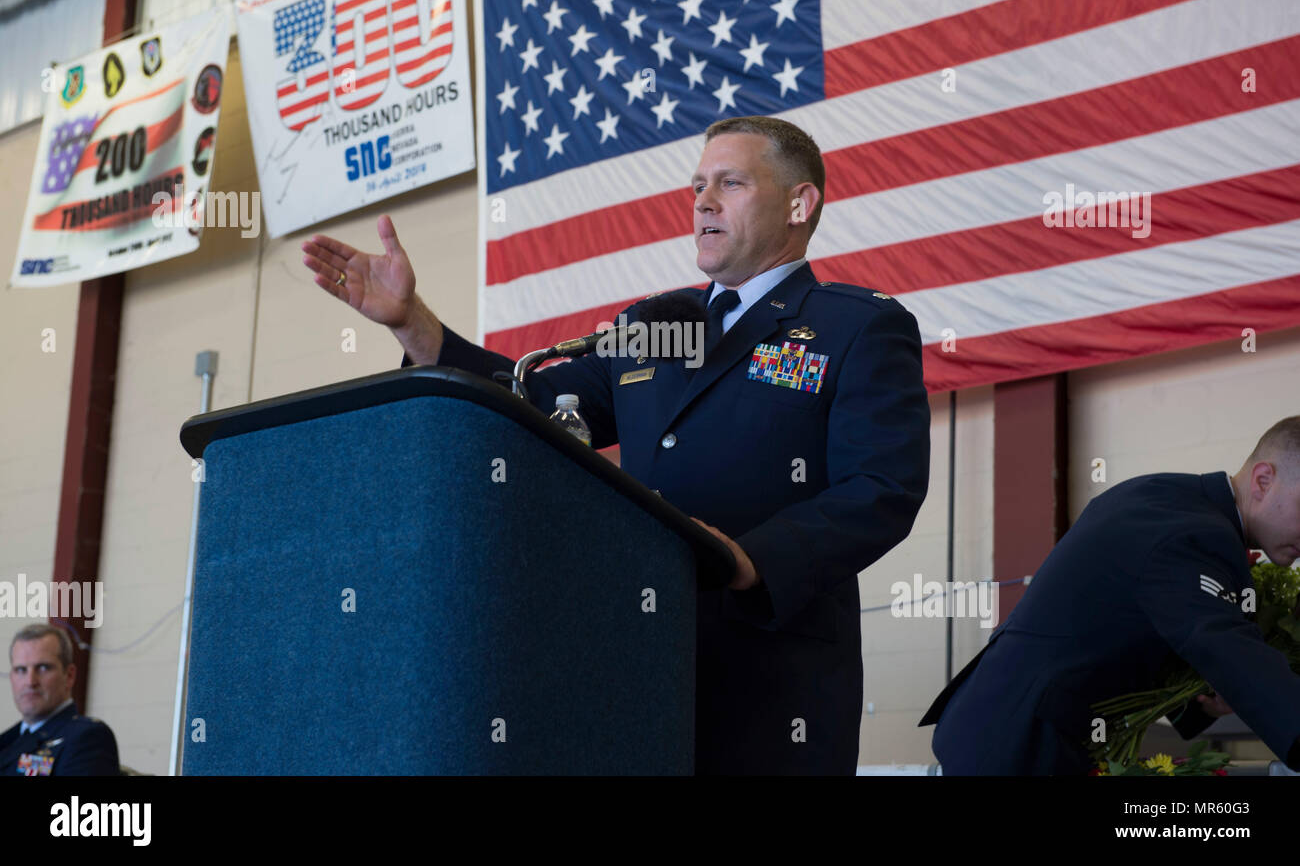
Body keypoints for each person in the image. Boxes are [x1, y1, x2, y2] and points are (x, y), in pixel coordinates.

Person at [302, 115, 931, 774]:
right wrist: (415, 324)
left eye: (730, 183)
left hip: (771, 678)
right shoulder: (658, 323)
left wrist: (749, 560)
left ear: (800, 204)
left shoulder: (855, 326)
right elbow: (532, 403)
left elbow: (880, 489)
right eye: (696, 187)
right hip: (634, 669)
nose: (704, 202)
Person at [921, 416, 1300, 774]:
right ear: (1263, 480)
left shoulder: (1170, 497)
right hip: (1019, 744)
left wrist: (1201, 701)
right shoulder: (1195, 534)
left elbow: (1134, 627)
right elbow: (1227, 648)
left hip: (1008, 728)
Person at [2, 624, 120, 776]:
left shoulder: (86, 737)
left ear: (69, 675)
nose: (30, 681)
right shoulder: (7, 741)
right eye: (21, 670)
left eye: (43, 668)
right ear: (11, 677)